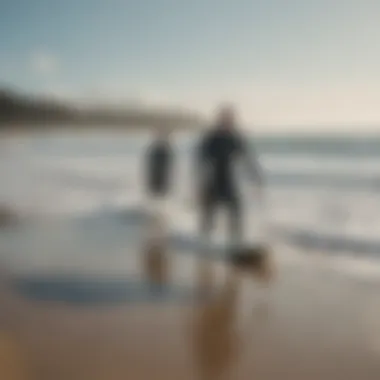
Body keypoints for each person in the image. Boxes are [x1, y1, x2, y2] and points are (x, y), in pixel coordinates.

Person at [194, 105, 263, 255]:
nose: (228, 122)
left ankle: (234, 245)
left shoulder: (235, 138)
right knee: (208, 217)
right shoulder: (211, 138)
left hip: (228, 182)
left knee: (236, 212)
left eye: (230, 119)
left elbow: (247, 159)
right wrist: (198, 183)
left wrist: (256, 177)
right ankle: (204, 245)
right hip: (212, 182)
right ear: (220, 120)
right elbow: (200, 160)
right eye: (225, 119)